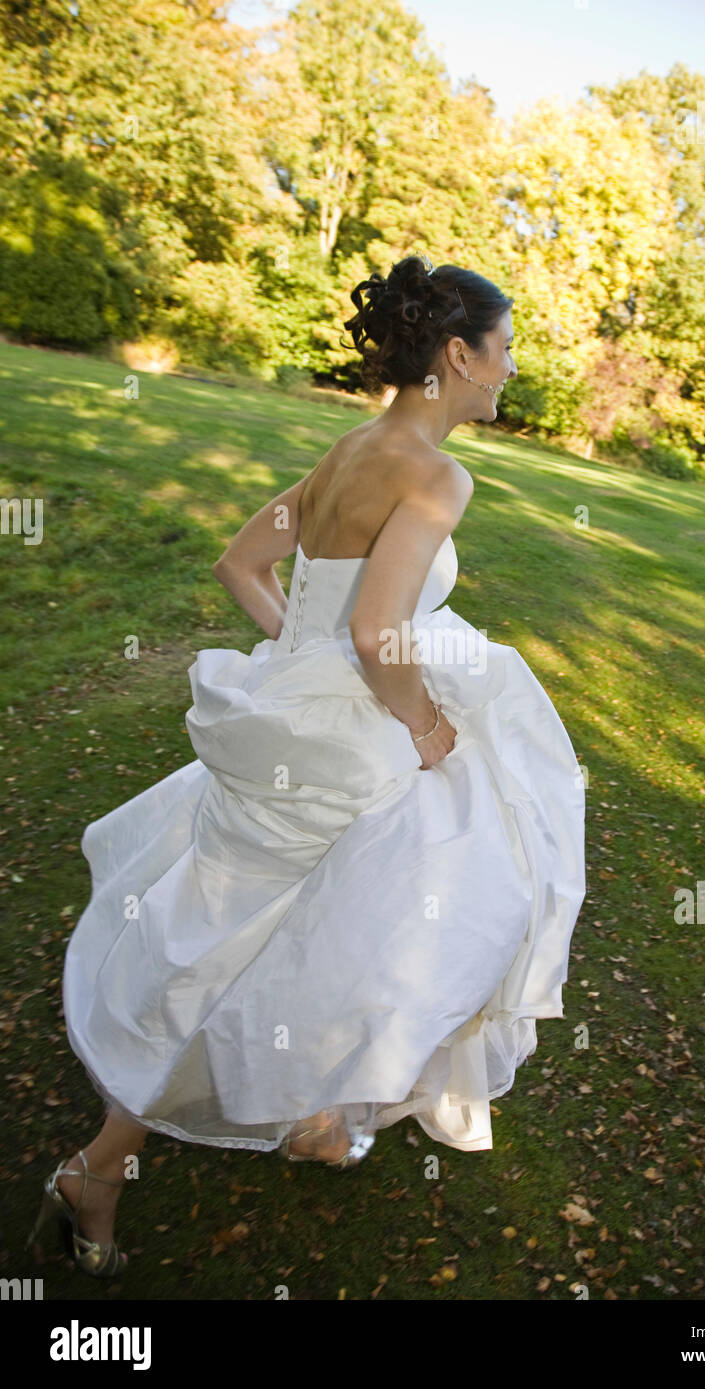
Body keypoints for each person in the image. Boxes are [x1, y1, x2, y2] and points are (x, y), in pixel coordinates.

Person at [28, 254, 586, 1280]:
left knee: (306, 937)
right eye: (503, 352)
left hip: (300, 714)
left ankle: (322, 1119)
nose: (508, 371)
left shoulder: (347, 451)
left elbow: (241, 563)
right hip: (358, 733)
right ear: (458, 355)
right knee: (348, 936)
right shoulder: (433, 472)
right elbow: (379, 634)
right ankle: (101, 1168)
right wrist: (420, 727)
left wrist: (300, 656)